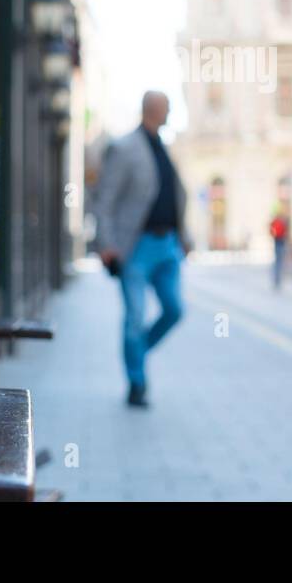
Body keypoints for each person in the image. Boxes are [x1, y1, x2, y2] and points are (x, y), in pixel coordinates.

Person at [90, 91, 191, 408]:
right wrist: (106, 244)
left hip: (168, 246)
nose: (171, 110)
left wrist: (184, 236)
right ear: (153, 108)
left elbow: (174, 196)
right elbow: (105, 199)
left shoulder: (163, 146)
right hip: (136, 247)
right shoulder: (125, 147)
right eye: (167, 106)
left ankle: (137, 349)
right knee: (134, 318)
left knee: (174, 310)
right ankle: (137, 382)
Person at [269, 210, 289, 291]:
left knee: (278, 261)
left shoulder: (278, 222)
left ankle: (277, 280)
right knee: (278, 262)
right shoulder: (280, 222)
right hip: (279, 241)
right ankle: (277, 280)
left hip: (278, 241)